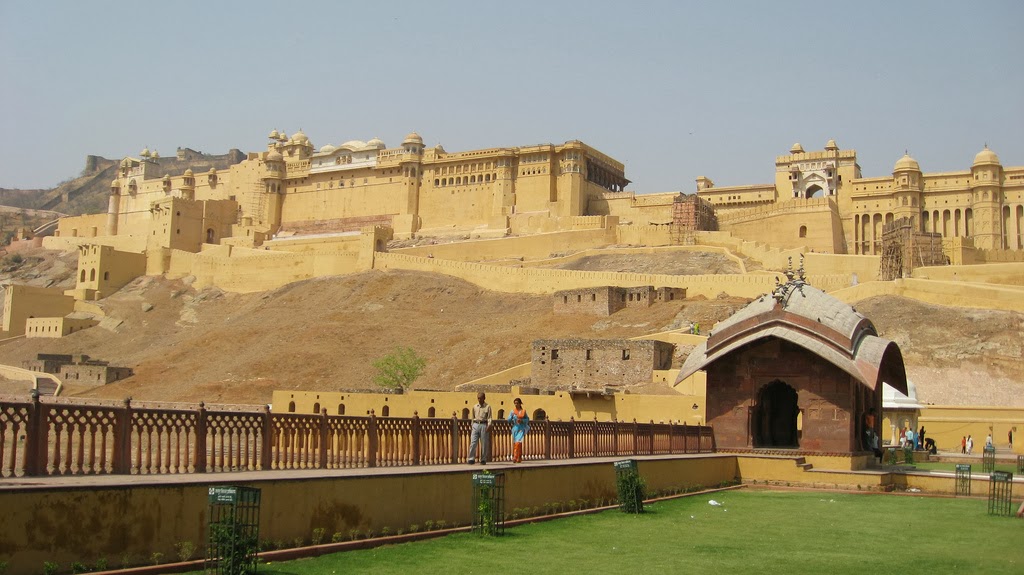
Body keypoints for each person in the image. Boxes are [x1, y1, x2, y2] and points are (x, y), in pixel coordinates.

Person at [467, 392, 492, 465]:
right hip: (476, 424)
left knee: (484, 443)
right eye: (478, 398)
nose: (479, 399)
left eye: (481, 398)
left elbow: (489, 417)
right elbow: (472, 416)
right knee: (473, 442)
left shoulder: (487, 407)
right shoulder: (475, 406)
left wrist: (489, 425)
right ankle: (471, 458)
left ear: (484, 398)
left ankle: (483, 459)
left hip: (483, 424)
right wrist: (472, 425)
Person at [508, 397, 530, 463]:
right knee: (517, 443)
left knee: (518, 442)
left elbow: (527, 419)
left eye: (517, 403)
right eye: (515, 403)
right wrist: (512, 417)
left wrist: (522, 420)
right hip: (515, 428)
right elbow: (508, 420)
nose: (516, 405)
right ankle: (519, 457)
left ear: (520, 404)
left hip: (521, 428)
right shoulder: (512, 411)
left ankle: (515, 457)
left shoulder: (523, 412)